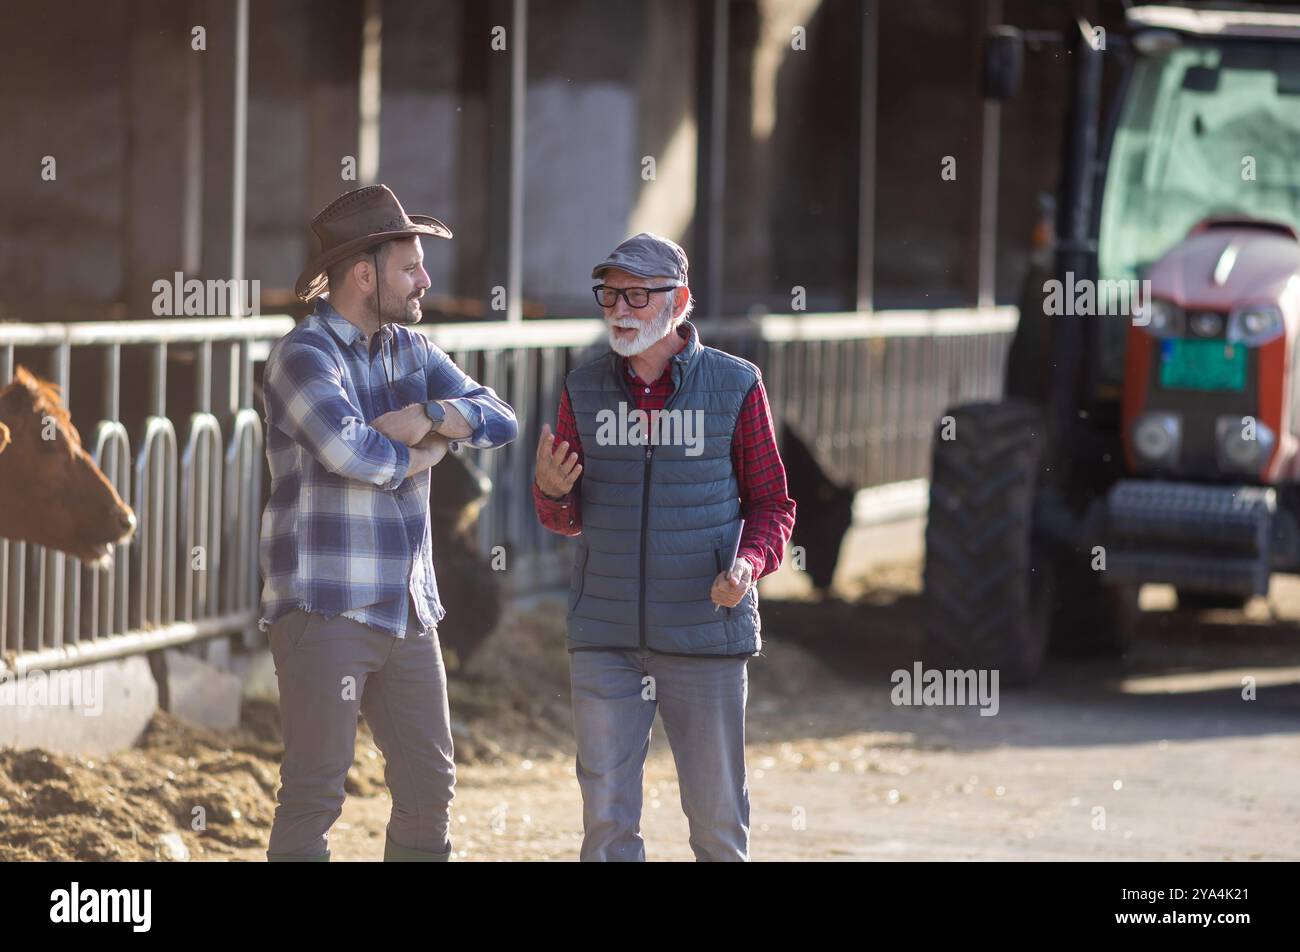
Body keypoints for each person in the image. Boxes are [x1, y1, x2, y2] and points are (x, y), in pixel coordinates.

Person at [259, 184, 517, 861]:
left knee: (430, 785)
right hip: (326, 607)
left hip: (408, 607)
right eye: (411, 266)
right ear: (365, 275)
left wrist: (431, 417)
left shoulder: (412, 350)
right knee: (316, 792)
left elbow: (499, 416)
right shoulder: (303, 356)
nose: (426, 279)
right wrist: (433, 447)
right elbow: (351, 451)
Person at [533, 232, 796, 861]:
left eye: (637, 295)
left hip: (705, 634)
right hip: (604, 636)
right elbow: (564, 518)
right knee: (607, 826)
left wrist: (748, 565)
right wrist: (548, 492)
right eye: (610, 294)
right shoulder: (583, 389)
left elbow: (772, 505)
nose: (619, 309)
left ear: (679, 300)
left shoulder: (736, 386)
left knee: (716, 824)